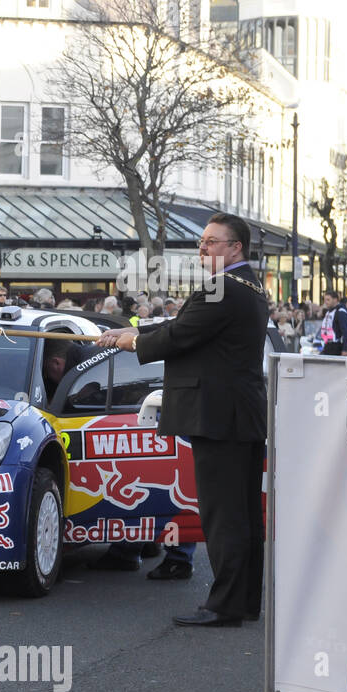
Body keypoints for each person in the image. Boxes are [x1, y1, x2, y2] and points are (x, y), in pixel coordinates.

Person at [98, 212, 267, 627]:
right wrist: (134, 331)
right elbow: (184, 326)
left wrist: (133, 340)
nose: (203, 248)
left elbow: (180, 334)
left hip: (219, 415)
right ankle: (242, 600)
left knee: (224, 515)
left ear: (235, 247)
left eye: (212, 242)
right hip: (238, 413)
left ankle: (224, 606)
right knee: (242, 514)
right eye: (202, 242)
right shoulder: (248, 284)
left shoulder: (222, 287)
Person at [318, 290, 347, 356]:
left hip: (336, 346)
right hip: (328, 345)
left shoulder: (340, 312)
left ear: (335, 300)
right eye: (325, 300)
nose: (326, 302)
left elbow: (346, 332)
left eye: (328, 300)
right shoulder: (329, 312)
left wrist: (345, 349)